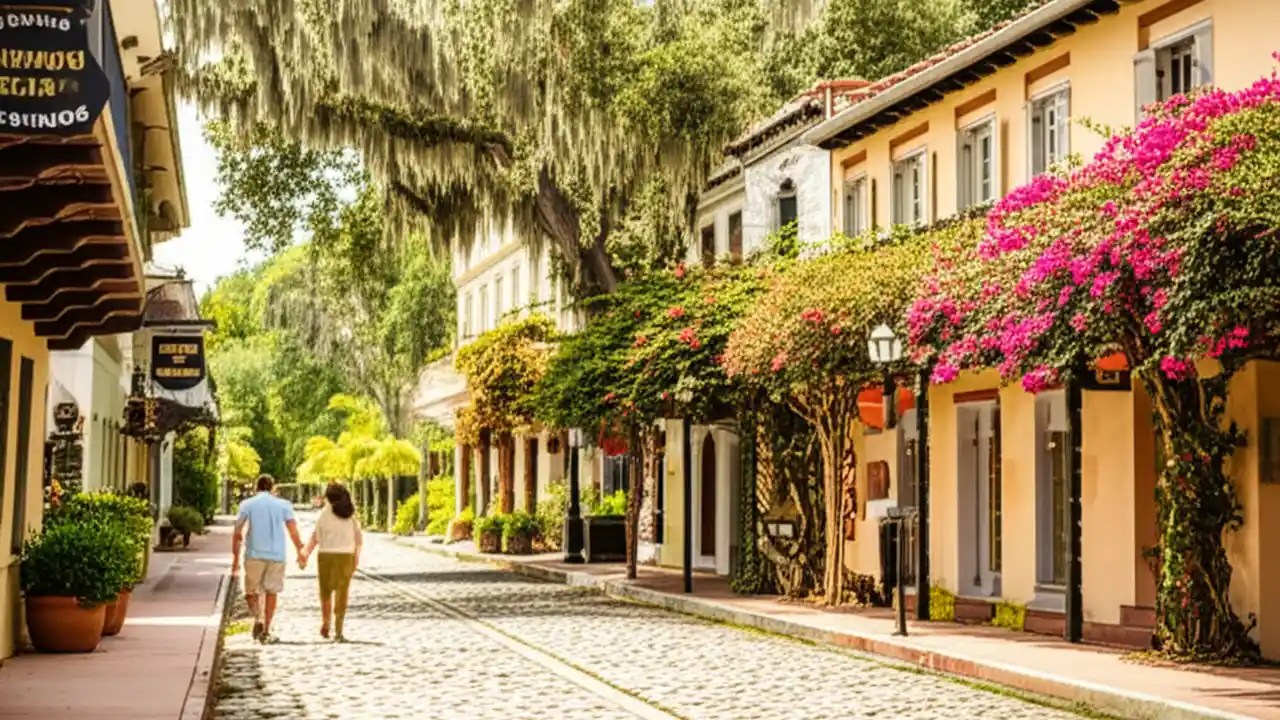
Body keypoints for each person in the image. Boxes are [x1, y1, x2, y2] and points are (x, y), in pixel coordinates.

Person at [232, 474, 305, 644]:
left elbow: (237, 531)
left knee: (250, 592)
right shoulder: (283, 505)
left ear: (256, 487)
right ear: (273, 487)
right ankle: (266, 628)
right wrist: (300, 550)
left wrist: (235, 558)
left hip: (254, 554)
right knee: (272, 591)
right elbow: (292, 530)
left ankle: (258, 617)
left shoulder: (247, 504)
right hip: (277, 555)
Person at [298, 483, 362, 641]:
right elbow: (359, 540)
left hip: (326, 556)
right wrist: (356, 558)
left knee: (325, 592)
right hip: (346, 556)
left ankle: (326, 623)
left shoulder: (324, 515)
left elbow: (315, 537)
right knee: (342, 593)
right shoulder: (350, 516)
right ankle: (339, 629)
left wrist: (305, 552)